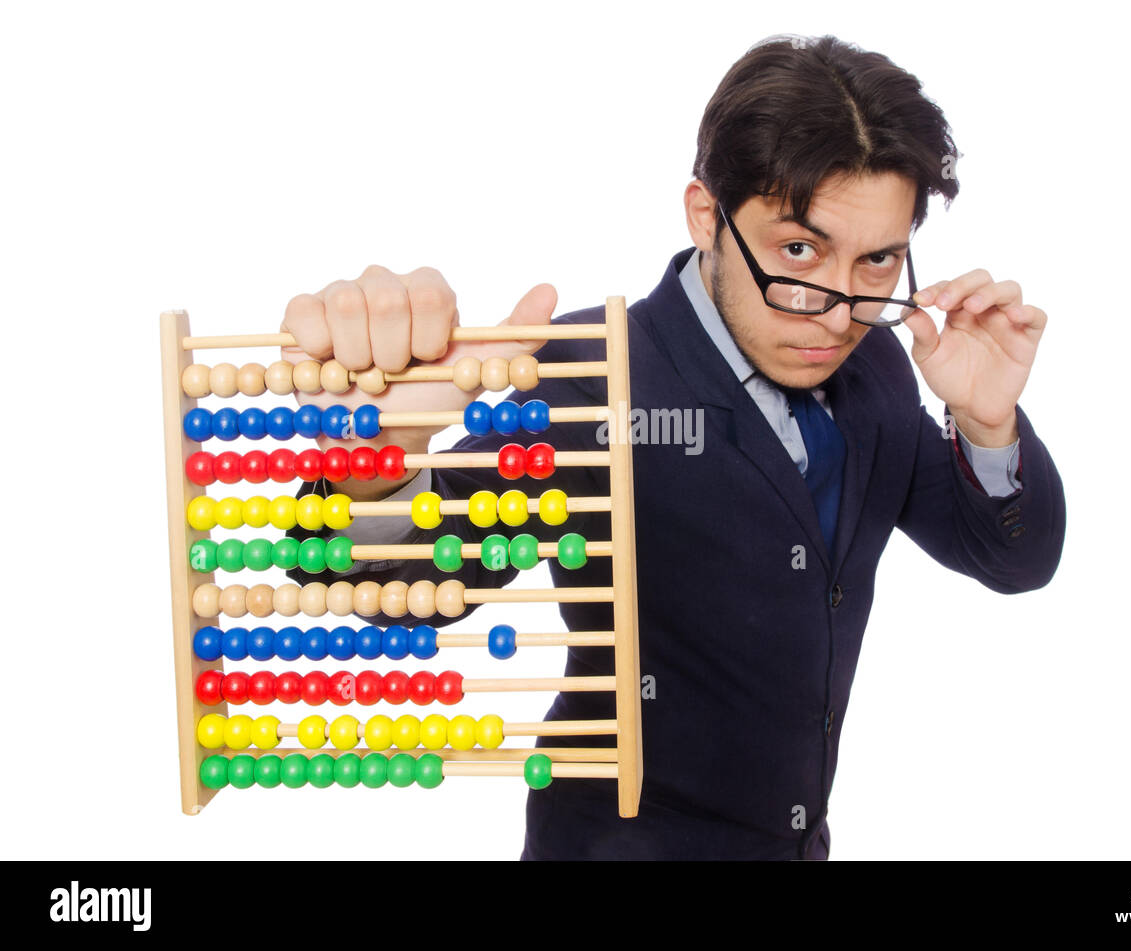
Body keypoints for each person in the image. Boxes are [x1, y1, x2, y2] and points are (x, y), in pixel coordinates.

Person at [280, 34, 1066, 859]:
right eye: (799, 251)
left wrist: (986, 422)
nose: (837, 313)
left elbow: (1012, 559)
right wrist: (375, 460)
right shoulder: (587, 376)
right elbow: (375, 596)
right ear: (706, 215)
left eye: (879, 261)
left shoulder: (876, 368)